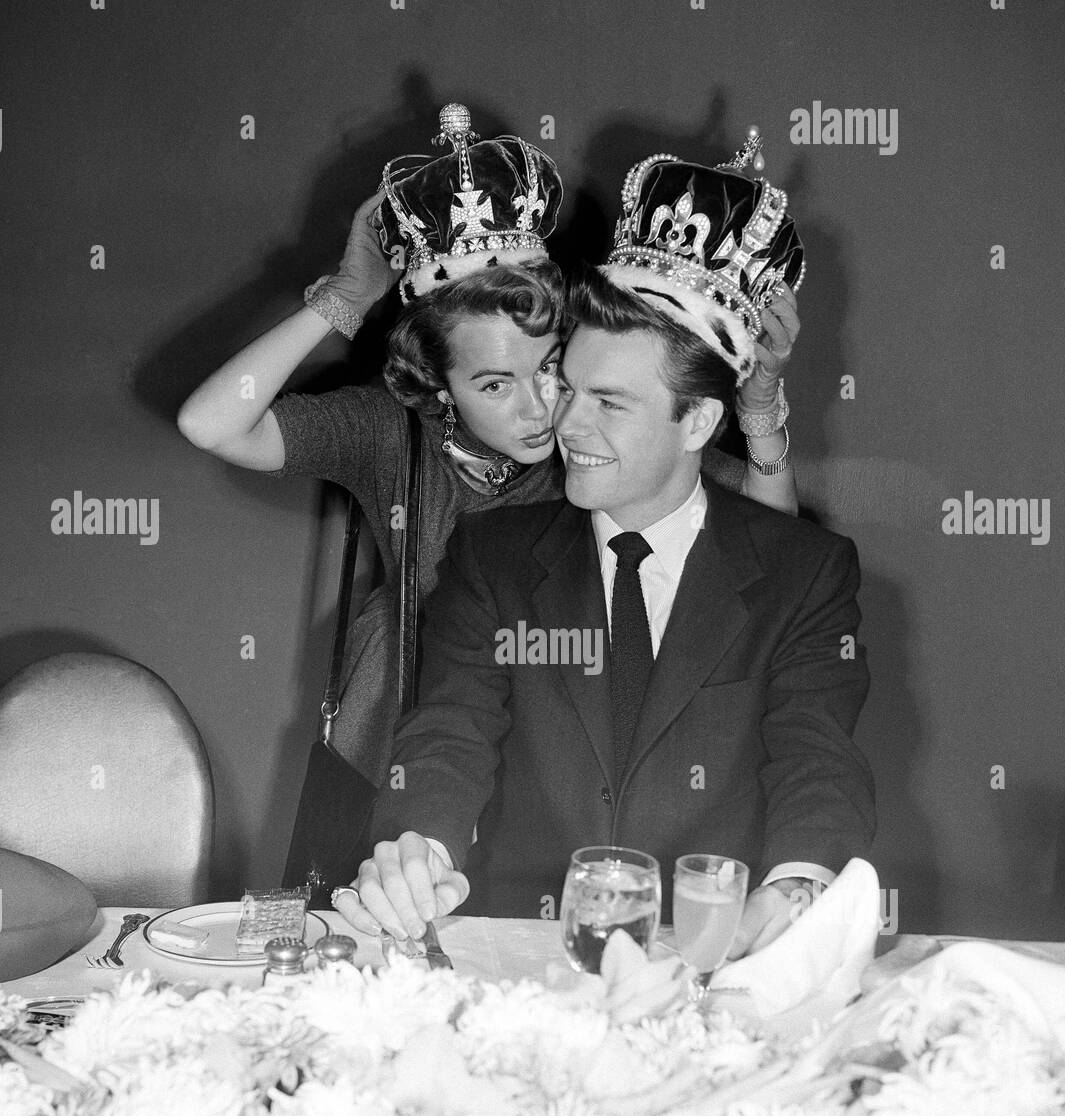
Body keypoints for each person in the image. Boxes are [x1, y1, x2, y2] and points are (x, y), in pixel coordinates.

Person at [334, 149, 875, 957]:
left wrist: (792, 891)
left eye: (609, 403)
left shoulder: (803, 573)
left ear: (695, 423)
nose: (567, 424)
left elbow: (816, 761)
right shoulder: (495, 556)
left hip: (712, 955)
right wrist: (419, 849)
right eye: (568, 386)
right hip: (527, 953)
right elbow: (448, 736)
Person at [176, 107, 803, 792]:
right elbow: (213, 424)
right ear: (437, 383)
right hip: (403, 738)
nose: (539, 409)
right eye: (495, 384)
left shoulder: (595, 436)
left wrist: (759, 407)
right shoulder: (389, 432)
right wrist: (345, 297)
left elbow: (770, 546)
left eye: (549, 366)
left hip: (558, 758)